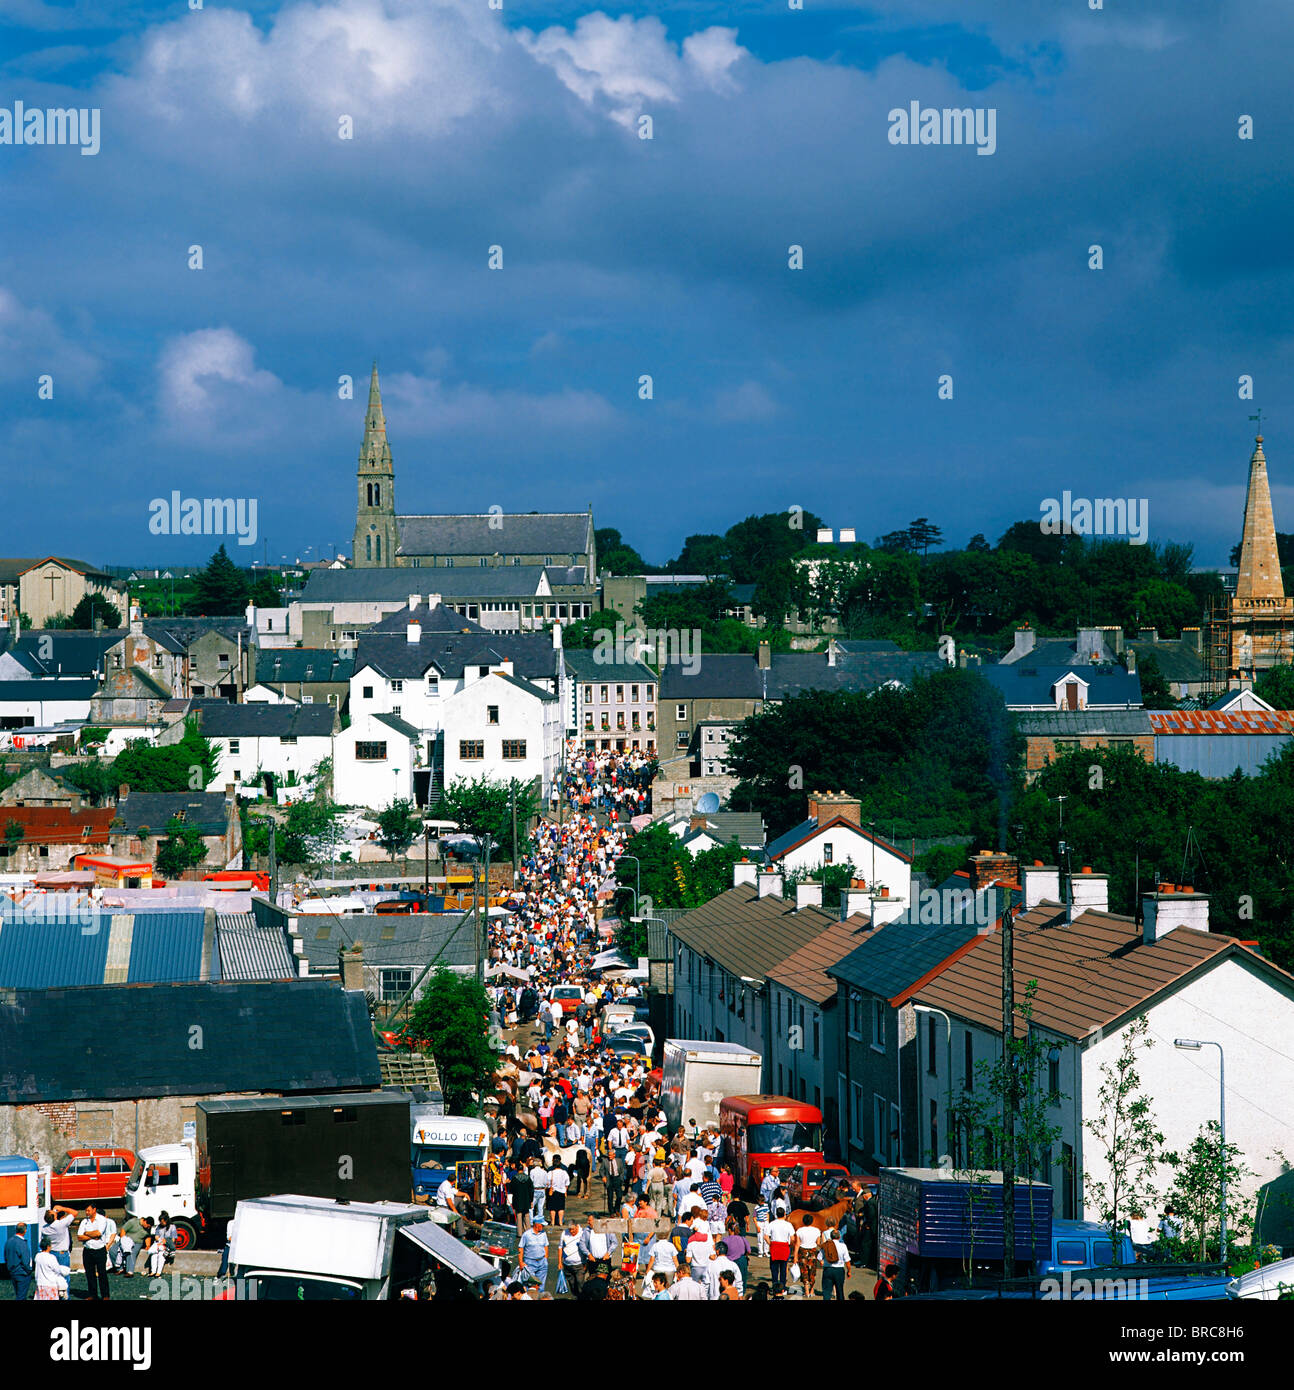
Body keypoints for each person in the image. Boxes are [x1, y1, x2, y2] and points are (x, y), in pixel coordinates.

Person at [77, 1205, 114, 1301]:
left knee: (102, 1274)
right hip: (88, 1250)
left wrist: (86, 1233)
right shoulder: (84, 1221)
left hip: (99, 1250)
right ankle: (92, 1294)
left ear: (94, 1210)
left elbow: (98, 1233)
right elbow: (79, 1237)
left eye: (88, 1210)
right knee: (89, 1274)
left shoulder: (102, 1220)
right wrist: (92, 1235)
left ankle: (105, 1295)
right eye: (86, 1210)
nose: (87, 1212)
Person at [793, 1213, 823, 1297]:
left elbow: (797, 1244)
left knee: (804, 1271)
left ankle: (806, 1291)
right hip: (813, 1252)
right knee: (812, 1272)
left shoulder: (799, 1230)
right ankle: (812, 1290)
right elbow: (818, 1243)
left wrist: (795, 1256)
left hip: (802, 1252)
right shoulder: (817, 1230)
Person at [767, 1209, 796, 1297]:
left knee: (774, 1269)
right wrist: (790, 1246)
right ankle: (782, 1287)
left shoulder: (772, 1224)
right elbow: (792, 1238)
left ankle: (775, 1287)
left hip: (775, 1246)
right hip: (784, 1246)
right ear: (784, 1214)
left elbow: (765, 1236)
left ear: (776, 1214)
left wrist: (770, 1244)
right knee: (783, 1268)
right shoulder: (788, 1225)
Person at [39, 1205, 76, 1273]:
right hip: (62, 1254)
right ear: (55, 1217)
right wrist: (62, 1208)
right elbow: (74, 1212)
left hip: (51, 1252)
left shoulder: (44, 1228)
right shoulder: (61, 1224)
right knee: (64, 1275)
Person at [820, 1225, 851, 1300]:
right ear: (839, 1237)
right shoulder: (843, 1246)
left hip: (828, 1270)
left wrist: (823, 1263)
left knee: (827, 1292)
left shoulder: (826, 1245)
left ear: (830, 1237)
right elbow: (847, 1261)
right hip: (839, 1270)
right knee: (840, 1291)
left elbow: (819, 1258)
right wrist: (849, 1271)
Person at [5, 1222, 33, 1302]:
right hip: (22, 1273)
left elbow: (6, 1257)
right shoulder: (22, 1243)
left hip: (13, 1272)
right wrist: (29, 1270)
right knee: (21, 1296)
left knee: (19, 1294)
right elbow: (26, 1260)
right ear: (25, 1231)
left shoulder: (9, 1241)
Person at [33, 1237, 68, 1301]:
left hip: (40, 1284)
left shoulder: (37, 1256)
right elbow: (58, 1270)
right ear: (48, 1246)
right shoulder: (51, 1257)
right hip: (50, 1284)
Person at [519, 1217, 550, 1290]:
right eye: (542, 1225)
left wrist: (545, 1258)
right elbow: (521, 1248)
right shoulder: (526, 1235)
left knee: (541, 1286)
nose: (543, 1227)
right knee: (530, 1286)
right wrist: (521, 1262)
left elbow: (546, 1246)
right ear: (537, 1225)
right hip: (530, 1262)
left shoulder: (543, 1234)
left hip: (542, 1262)